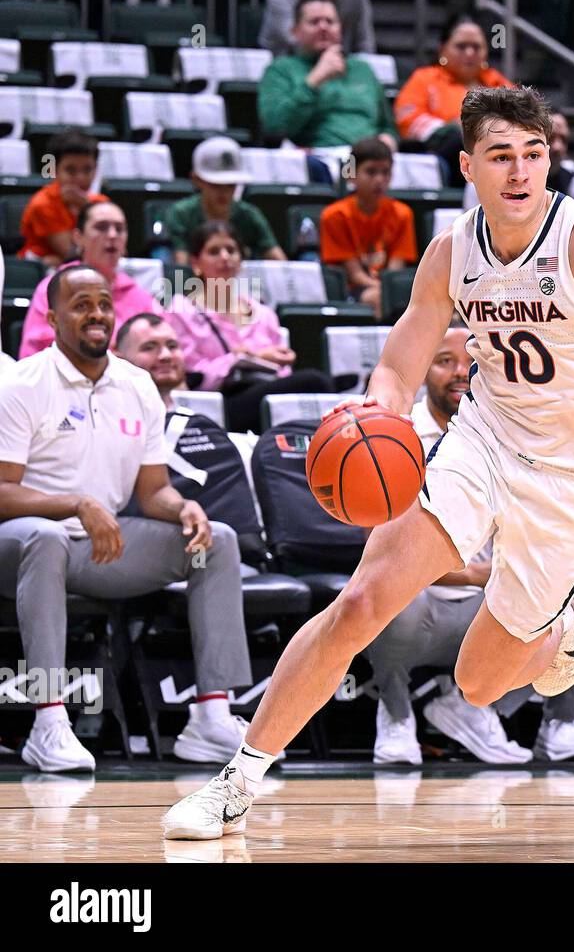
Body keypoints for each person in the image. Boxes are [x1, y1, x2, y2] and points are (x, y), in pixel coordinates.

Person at [162, 85, 574, 839]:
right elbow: (403, 355)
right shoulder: (453, 251)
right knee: (362, 603)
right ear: (468, 166)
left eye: (534, 154)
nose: (521, 171)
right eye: (501, 156)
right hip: (482, 440)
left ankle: (567, 625)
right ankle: (236, 782)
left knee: (478, 681)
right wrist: (379, 407)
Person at [0, 266, 254, 772]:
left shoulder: (136, 384)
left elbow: (153, 490)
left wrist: (184, 507)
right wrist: (75, 502)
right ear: (51, 318)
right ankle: (48, 721)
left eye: (103, 303)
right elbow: (3, 492)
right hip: (23, 547)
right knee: (47, 538)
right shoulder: (21, 383)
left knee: (216, 542)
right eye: (80, 305)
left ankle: (210, 717)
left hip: (101, 547)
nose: (96, 314)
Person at [367, 324, 574, 765]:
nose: (461, 373)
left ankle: (477, 709)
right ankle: (395, 715)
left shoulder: (533, 429)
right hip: (430, 601)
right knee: (383, 594)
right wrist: (473, 573)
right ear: (422, 367)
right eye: (444, 361)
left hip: (500, 596)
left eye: (472, 361)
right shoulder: (399, 436)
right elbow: (376, 552)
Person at [164, 221, 334, 433]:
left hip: (269, 395)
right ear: (196, 262)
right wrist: (238, 359)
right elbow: (189, 374)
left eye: (231, 250)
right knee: (314, 381)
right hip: (220, 402)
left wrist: (277, 360)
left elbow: (283, 374)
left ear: (241, 260)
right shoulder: (181, 310)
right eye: (214, 251)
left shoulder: (263, 313)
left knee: (311, 390)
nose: (225, 257)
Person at [19, 202, 163, 360]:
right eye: (101, 227)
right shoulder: (54, 288)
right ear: (78, 237)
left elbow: (162, 342)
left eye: (119, 229)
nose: (112, 235)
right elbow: (35, 351)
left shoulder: (137, 294)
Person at [258, 0, 397, 150]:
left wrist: (389, 139)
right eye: (314, 22)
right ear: (295, 31)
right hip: (317, 158)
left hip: (367, 160)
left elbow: (387, 126)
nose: (323, 27)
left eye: (330, 22)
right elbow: (276, 127)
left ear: (340, 29)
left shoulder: (363, 69)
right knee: (347, 170)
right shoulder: (280, 70)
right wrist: (314, 80)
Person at [394, 15, 514, 169]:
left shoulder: (498, 83)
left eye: (476, 47)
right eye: (461, 46)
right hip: (447, 158)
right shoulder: (424, 79)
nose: (470, 53)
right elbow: (407, 119)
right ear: (442, 49)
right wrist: (451, 129)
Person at [320, 137, 418, 317]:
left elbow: (396, 267)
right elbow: (355, 275)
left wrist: (391, 288)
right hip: (354, 289)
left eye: (386, 172)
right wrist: (386, 290)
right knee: (379, 298)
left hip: (388, 285)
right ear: (351, 173)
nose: (380, 179)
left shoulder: (402, 213)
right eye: (371, 172)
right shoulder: (335, 215)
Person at [165, 137, 286, 267]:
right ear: (196, 179)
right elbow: (181, 264)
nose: (224, 192)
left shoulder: (250, 215)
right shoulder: (181, 214)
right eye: (215, 185)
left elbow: (278, 261)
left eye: (230, 185)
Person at [17, 131, 108, 268]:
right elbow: (70, 255)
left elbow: (117, 251)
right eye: (71, 170)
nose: (80, 178)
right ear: (54, 170)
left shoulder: (101, 203)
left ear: (96, 170)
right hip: (40, 274)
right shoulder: (43, 204)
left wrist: (88, 207)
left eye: (87, 170)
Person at [115, 313, 187, 409]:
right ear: (120, 359)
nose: (166, 355)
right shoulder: (106, 415)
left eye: (172, 346)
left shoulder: (197, 419)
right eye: (149, 348)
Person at [259, 0, 374, 56]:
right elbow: (297, 41)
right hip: (286, 66)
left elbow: (364, 43)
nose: (323, 26)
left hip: (342, 70)